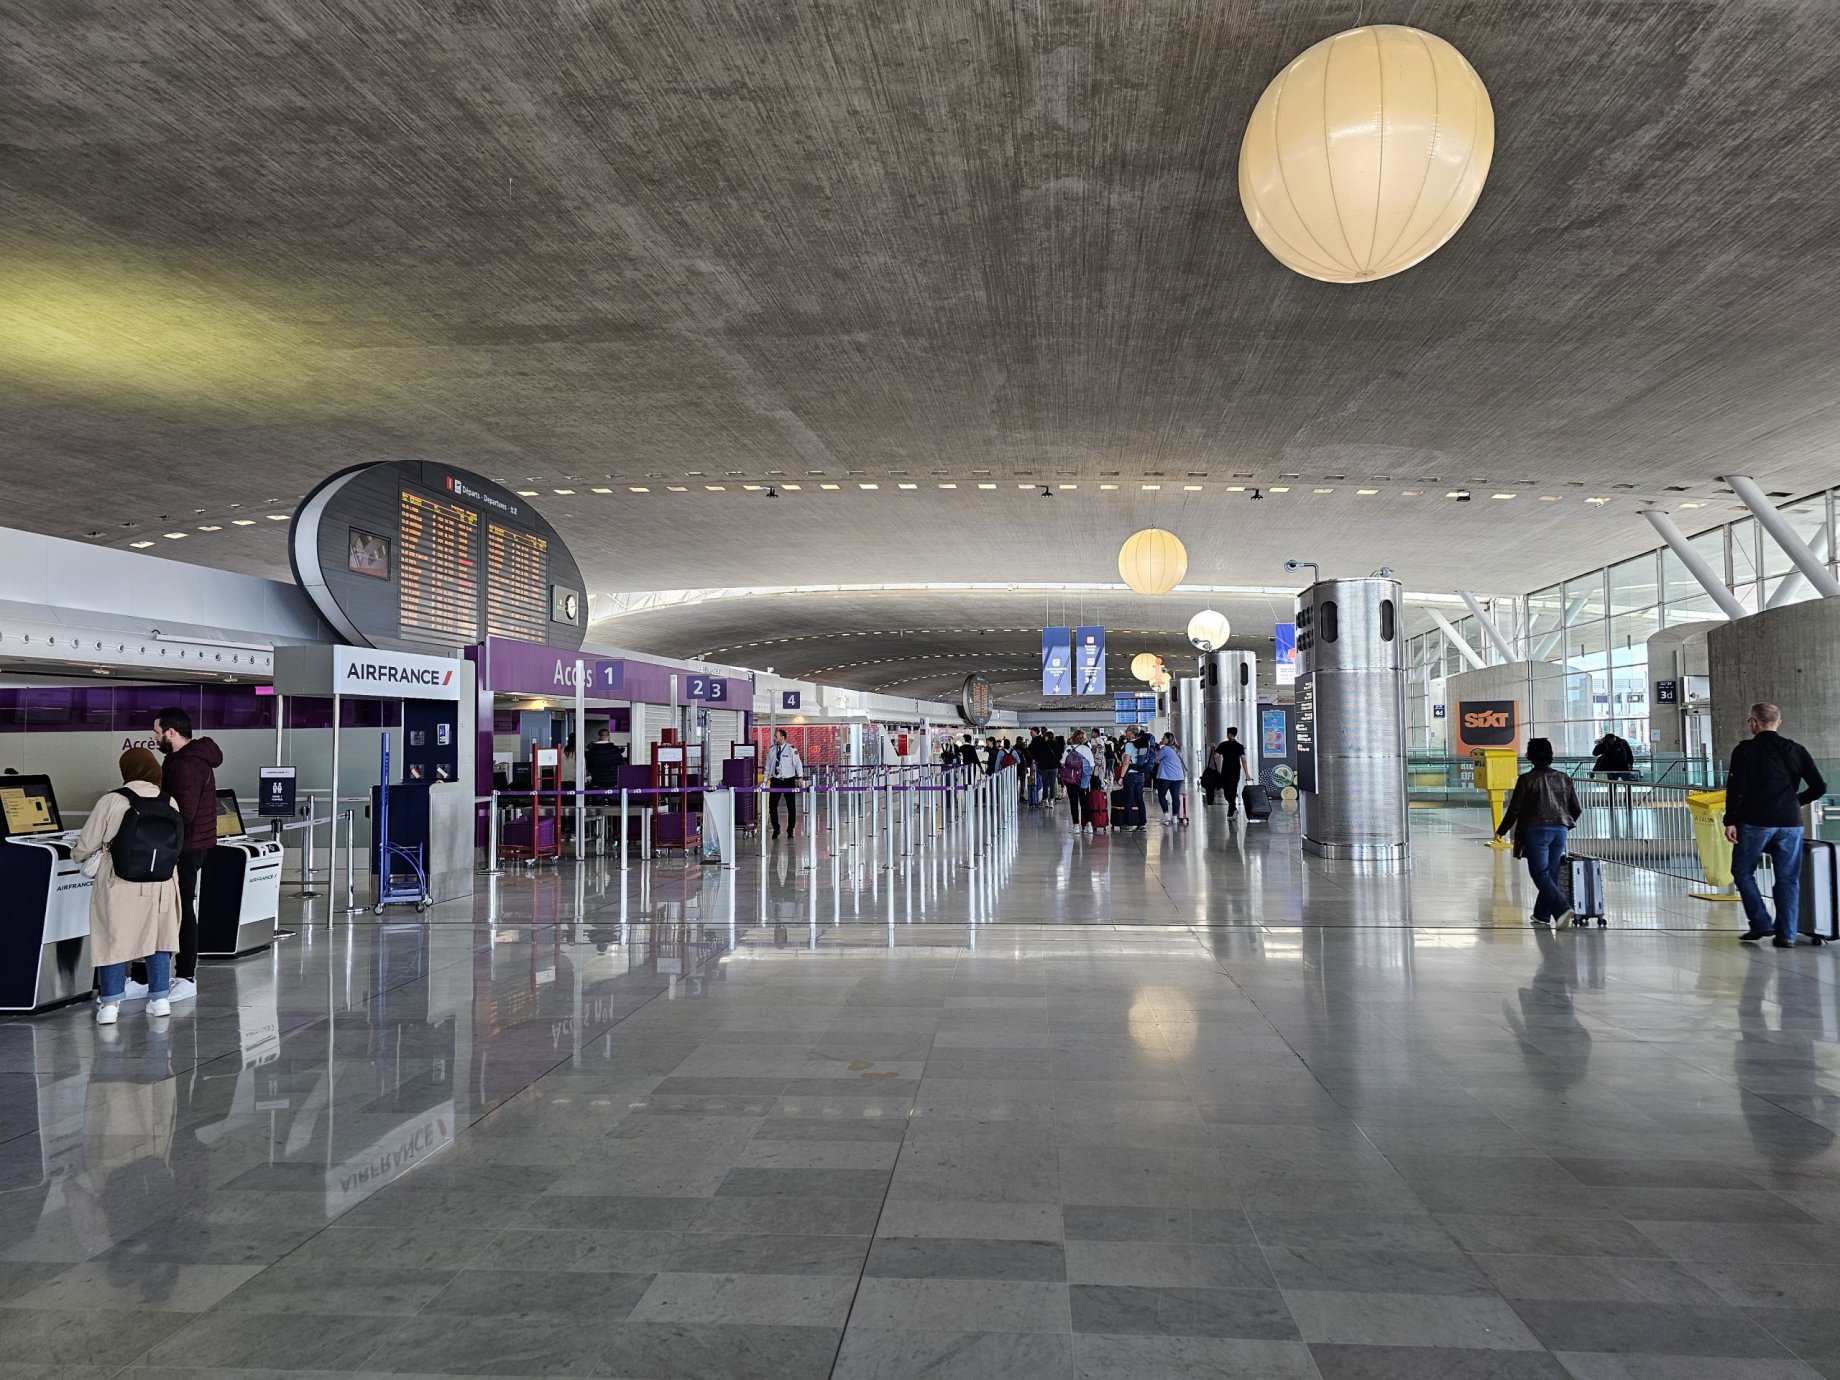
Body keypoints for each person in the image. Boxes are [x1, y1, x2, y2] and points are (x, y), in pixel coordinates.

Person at [73, 749, 182, 1025]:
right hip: (161, 881)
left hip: (119, 881)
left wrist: (78, 855)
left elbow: (87, 843)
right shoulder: (169, 800)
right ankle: (160, 1000)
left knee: (113, 938)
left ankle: (110, 1005)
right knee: (157, 938)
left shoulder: (112, 800)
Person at [1725, 702, 1827, 948]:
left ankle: (1760, 921)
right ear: (1778, 722)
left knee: (1742, 870)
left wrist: (1731, 820)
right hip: (1791, 822)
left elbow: (1736, 789)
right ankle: (1787, 934)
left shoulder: (1745, 751)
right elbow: (1819, 787)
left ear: (1754, 723)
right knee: (1788, 879)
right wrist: (1794, 801)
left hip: (1755, 821)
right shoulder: (1796, 750)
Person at [148, 707, 221, 1003]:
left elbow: (183, 812)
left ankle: (186, 975)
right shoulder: (184, 759)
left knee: (182, 910)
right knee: (180, 908)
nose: (154, 737)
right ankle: (168, 974)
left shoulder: (187, 764)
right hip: (191, 845)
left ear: (171, 732)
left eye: (156, 731)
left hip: (184, 847)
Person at [1494, 737, 1583, 927]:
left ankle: (1562, 909)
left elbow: (1515, 809)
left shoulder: (1526, 779)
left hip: (1536, 830)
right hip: (1560, 830)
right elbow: (1576, 808)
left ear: (1530, 756)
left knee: (1539, 873)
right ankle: (1542, 915)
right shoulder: (1563, 778)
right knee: (1550, 873)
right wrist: (1565, 824)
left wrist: (1501, 830)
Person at [764, 729, 803, 839]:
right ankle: (776, 828)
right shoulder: (772, 750)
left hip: (788, 781)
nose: (774, 738)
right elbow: (768, 765)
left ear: (782, 737)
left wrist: (800, 777)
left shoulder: (791, 749)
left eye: (776, 736)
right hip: (776, 781)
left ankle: (790, 830)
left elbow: (798, 764)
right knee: (772, 806)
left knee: (791, 807)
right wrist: (765, 778)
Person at [1063, 730, 1096, 832]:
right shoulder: (1087, 749)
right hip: (1083, 779)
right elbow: (1092, 765)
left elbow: (1063, 762)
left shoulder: (1069, 749)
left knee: (1073, 802)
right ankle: (1089, 825)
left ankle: (1076, 826)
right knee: (1084, 801)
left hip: (1071, 779)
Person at [1118, 728, 1150, 831]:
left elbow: (1126, 762)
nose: (1126, 735)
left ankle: (1128, 824)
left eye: (1128, 733)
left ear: (1132, 733)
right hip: (1141, 774)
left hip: (1131, 775)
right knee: (1140, 799)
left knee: (1128, 800)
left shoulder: (1129, 745)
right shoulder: (1144, 743)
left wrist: (1121, 777)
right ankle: (1142, 823)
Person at [1154, 733, 1187, 824]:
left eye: (1164, 738)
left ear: (1168, 739)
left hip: (1166, 776)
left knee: (1161, 795)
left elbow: (1156, 758)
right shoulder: (1179, 748)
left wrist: (1159, 746)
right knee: (1175, 796)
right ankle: (1175, 817)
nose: (1162, 739)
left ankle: (1166, 815)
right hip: (1178, 776)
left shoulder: (1165, 749)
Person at [1219, 728, 1248, 817]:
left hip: (1226, 770)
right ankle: (1231, 811)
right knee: (1233, 790)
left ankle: (1233, 809)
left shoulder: (1223, 745)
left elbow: (1215, 755)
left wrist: (1213, 747)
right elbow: (1243, 760)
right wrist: (1247, 773)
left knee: (1227, 791)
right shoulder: (1239, 746)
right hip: (1236, 770)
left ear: (1229, 734)